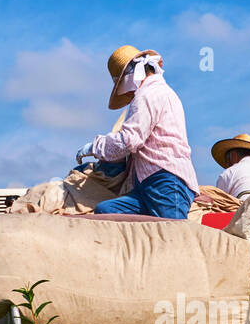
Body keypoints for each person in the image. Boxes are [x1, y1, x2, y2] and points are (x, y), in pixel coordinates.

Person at [76, 45, 199, 219]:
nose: (130, 93)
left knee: (173, 235)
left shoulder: (147, 95)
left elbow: (129, 140)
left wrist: (95, 147)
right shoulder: (159, 93)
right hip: (147, 184)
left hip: (165, 179)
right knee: (106, 211)